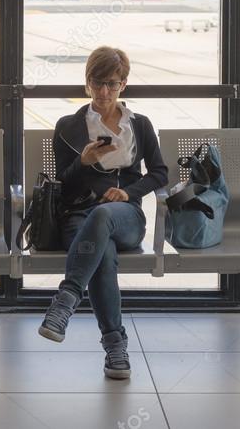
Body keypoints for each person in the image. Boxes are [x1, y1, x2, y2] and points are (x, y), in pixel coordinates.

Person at [38, 46, 168, 379]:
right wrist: (83, 163)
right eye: (97, 83)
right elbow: (64, 188)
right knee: (103, 254)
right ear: (87, 83)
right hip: (78, 217)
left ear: (124, 84)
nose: (104, 92)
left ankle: (66, 299)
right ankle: (116, 348)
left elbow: (159, 173)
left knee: (105, 215)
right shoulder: (68, 126)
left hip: (125, 215)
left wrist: (127, 192)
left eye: (111, 84)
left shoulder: (139, 124)